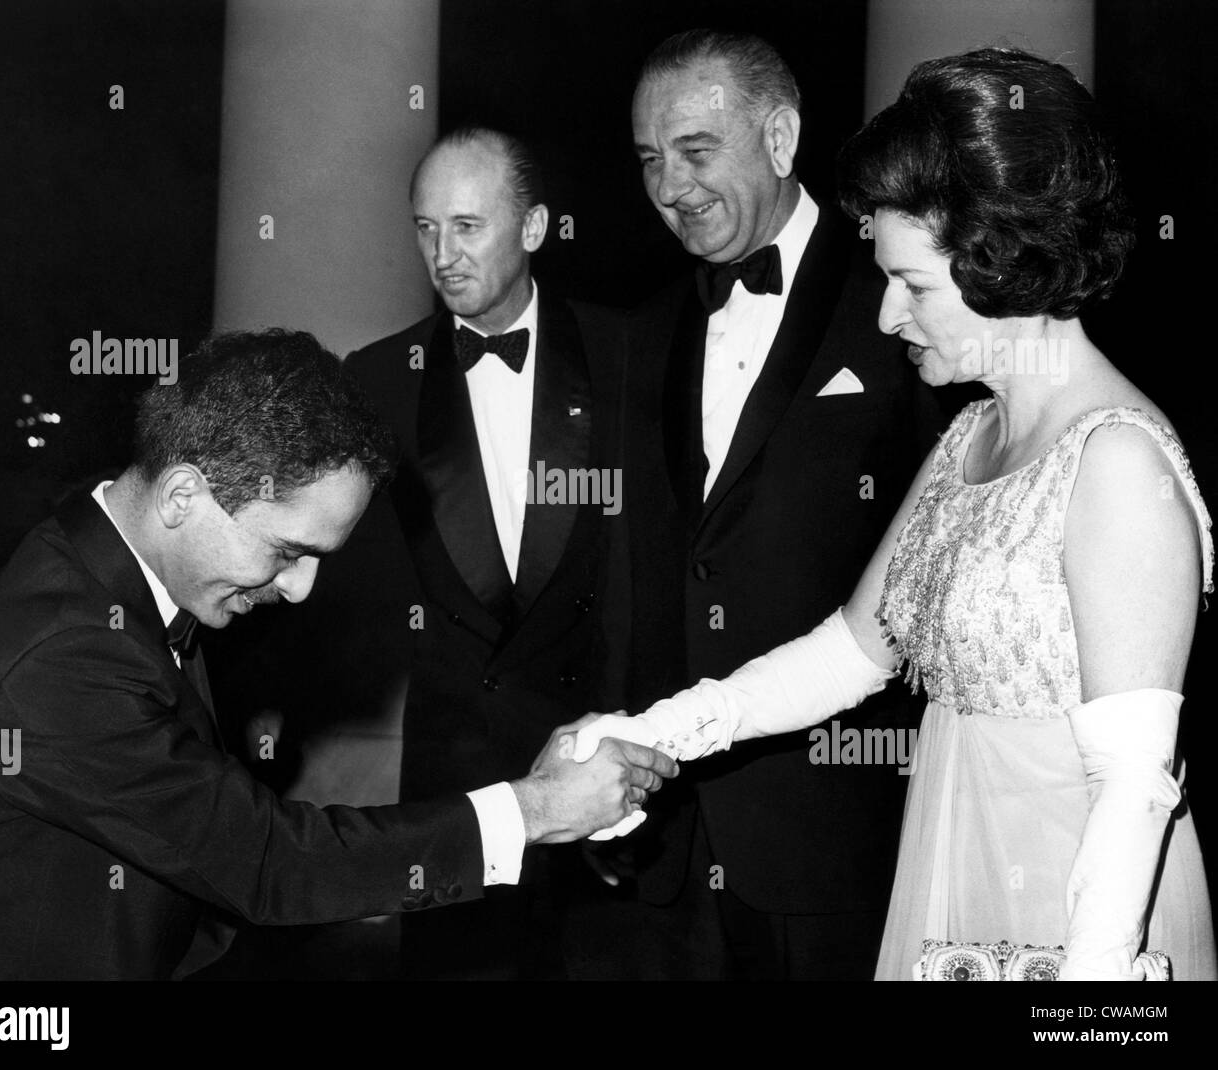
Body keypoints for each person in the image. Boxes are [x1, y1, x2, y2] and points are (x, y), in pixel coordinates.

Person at [577, 47, 1216, 981]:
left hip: (1078, 913)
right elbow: (845, 654)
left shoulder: (1117, 461)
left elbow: (1130, 790)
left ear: (1004, 262)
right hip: (956, 875)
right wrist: (653, 732)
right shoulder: (968, 439)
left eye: (913, 285)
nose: (885, 317)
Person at [0, 328, 675, 981]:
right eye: (286, 551)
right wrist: (536, 809)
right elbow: (272, 862)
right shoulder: (58, 657)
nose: (301, 588)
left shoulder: (108, 565)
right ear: (182, 497)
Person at [578, 29, 943, 980]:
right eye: (650, 160)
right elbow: (627, 574)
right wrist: (612, 779)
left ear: (780, 138)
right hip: (666, 835)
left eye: (696, 151)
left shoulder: (904, 302)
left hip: (841, 831)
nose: (670, 187)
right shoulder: (645, 328)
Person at [342, 130, 629, 979]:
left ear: (534, 227)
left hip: (602, 767)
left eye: (467, 226)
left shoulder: (626, 354)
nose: (442, 254)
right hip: (454, 789)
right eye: (426, 228)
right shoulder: (379, 377)